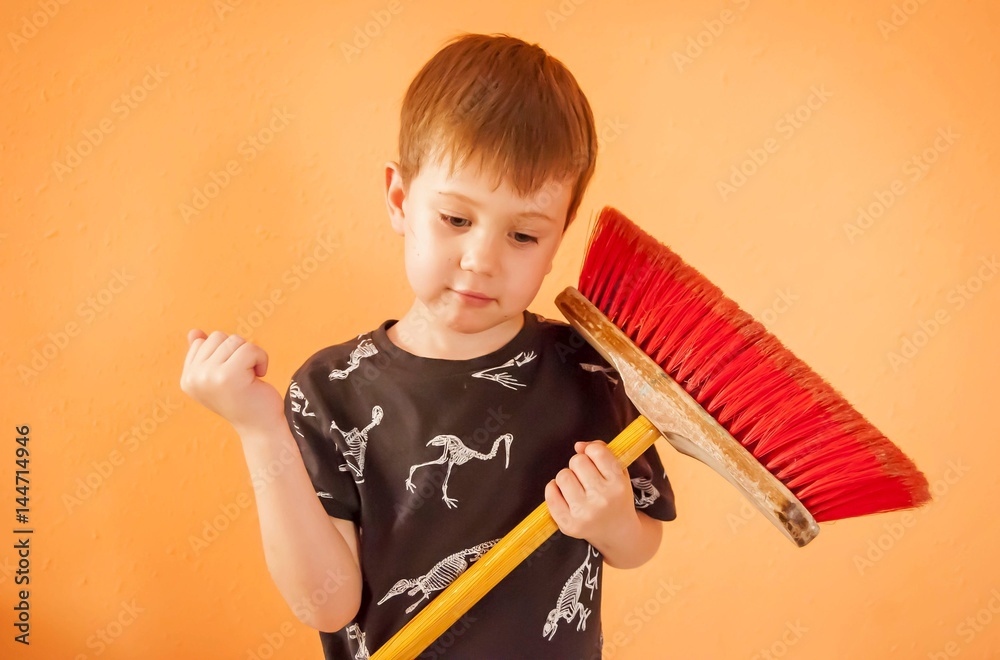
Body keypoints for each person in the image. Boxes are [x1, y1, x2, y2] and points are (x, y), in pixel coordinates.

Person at [181, 32, 676, 659]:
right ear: (400, 199)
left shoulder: (589, 371)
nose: (481, 260)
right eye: (457, 219)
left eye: (523, 235)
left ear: (558, 240)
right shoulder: (333, 390)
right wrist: (258, 429)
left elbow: (641, 542)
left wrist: (613, 525)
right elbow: (326, 604)